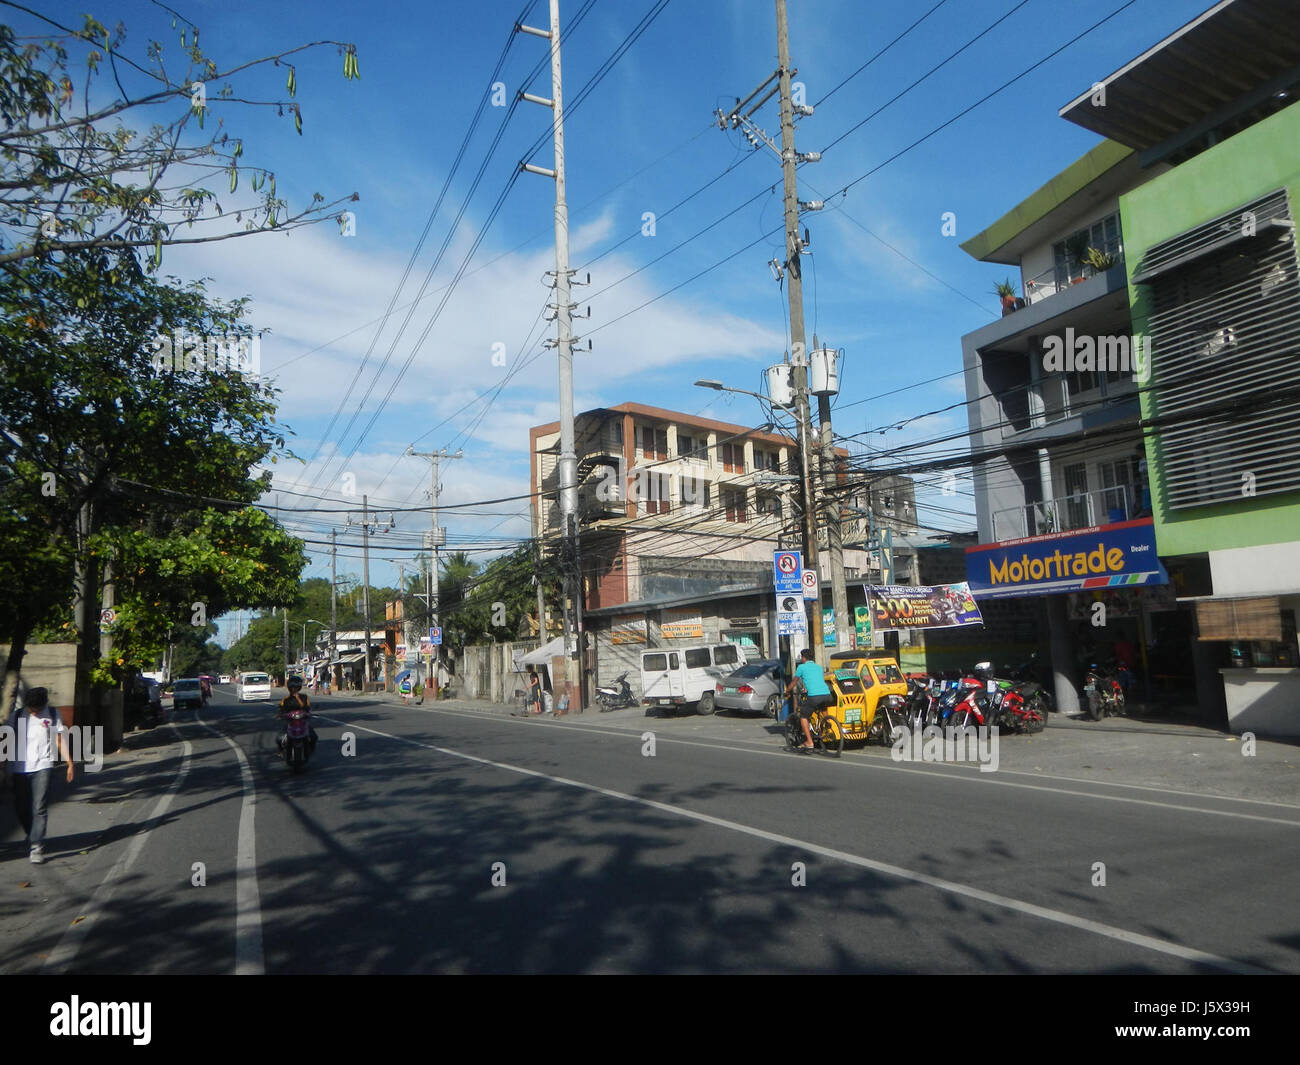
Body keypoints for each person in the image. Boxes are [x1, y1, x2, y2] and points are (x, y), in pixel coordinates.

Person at [5, 687, 75, 864]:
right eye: (31, 709)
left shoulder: (52, 714)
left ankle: (36, 846)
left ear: (44, 704)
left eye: (37, 709)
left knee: (39, 807)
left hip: (43, 766)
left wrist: (69, 762)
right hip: (19, 768)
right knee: (21, 807)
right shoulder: (17, 716)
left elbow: (59, 740)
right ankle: (31, 835)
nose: (34, 712)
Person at [785, 648, 832, 751]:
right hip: (827, 694)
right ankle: (828, 723)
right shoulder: (819, 667)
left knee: (803, 716)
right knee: (822, 707)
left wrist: (787, 691)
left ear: (804, 658)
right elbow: (816, 681)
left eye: (802, 657)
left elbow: (794, 682)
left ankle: (810, 742)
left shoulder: (801, 667)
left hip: (814, 696)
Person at [276, 676, 317, 754]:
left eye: (296, 687)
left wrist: (308, 713)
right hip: (290, 723)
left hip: (303, 722)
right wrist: (280, 714)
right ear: (289, 688)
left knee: (313, 737)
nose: (294, 689)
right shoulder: (285, 700)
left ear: (299, 688)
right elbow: (281, 709)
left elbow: (307, 708)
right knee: (279, 738)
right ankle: (281, 752)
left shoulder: (304, 697)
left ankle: (310, 751)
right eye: (292, 687)